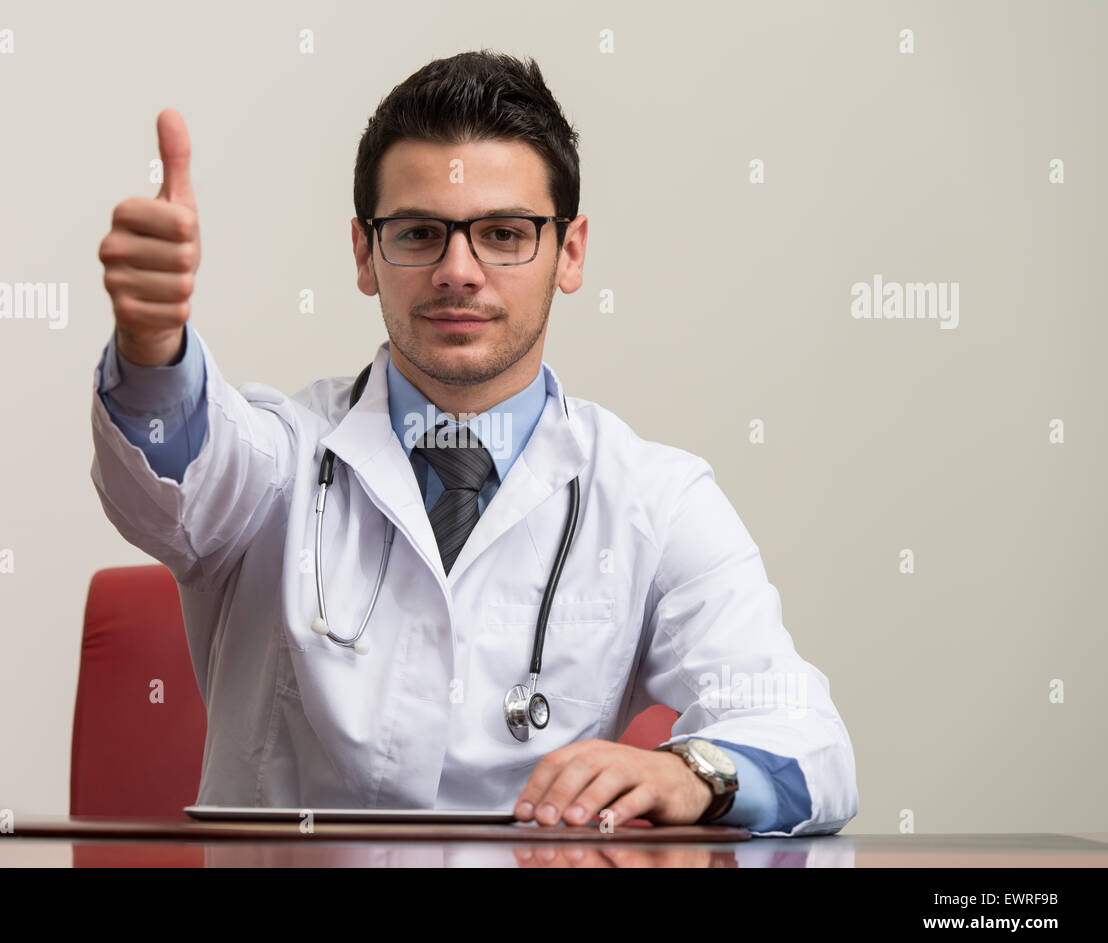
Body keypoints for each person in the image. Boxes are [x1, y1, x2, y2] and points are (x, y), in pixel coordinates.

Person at [91, 51, 858, 836]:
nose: (459, 271)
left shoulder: (655, 499)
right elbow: (174, 474)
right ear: (364, 253)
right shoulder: (282, 460)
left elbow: (809, 741)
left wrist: (691, 769)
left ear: (572, 250)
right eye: (420, 232)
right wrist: (152, 344)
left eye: (503, 232)